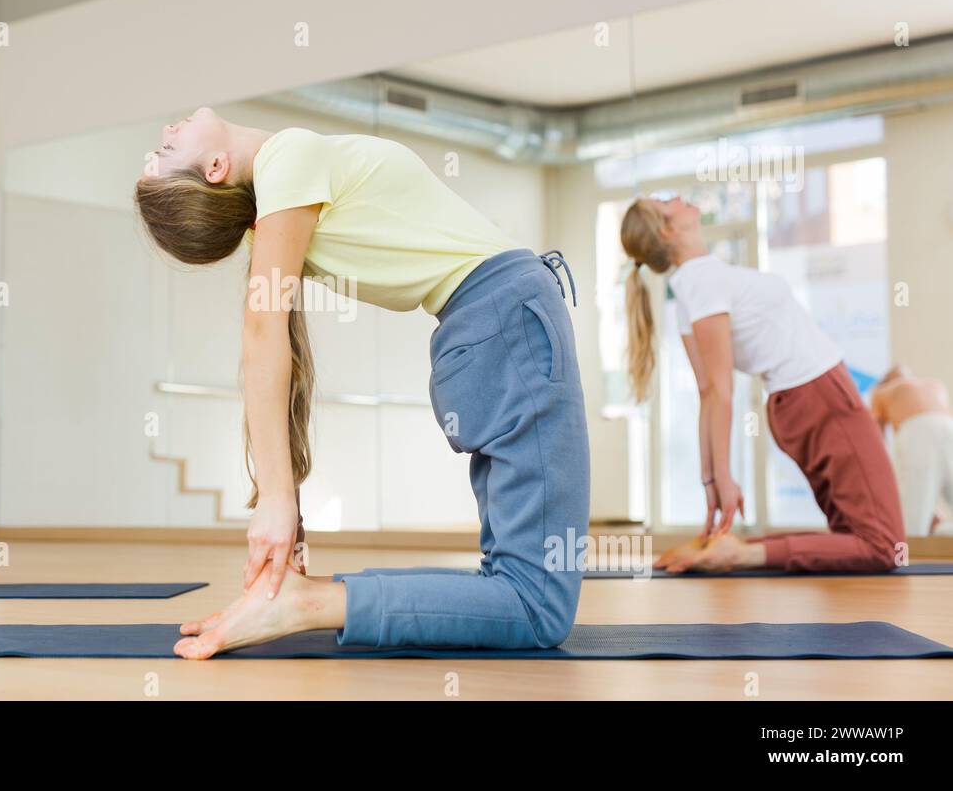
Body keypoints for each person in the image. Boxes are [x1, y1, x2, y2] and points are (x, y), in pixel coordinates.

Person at [135, 107, 589, 658]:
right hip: (504, 321)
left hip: (489, 330)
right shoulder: (288, 157)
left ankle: (306, 601)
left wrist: (287, 505)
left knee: (520, 587)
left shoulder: (283, 199)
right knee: (534, 604)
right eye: (164, 155)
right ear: (214, 167)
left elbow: (282, 353)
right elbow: (264, 336)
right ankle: (308, 604)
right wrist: (279, 501)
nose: (165, 134)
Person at [620, 195, 904, 573]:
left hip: (800, 402)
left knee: (853, 533)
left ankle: (731, 549)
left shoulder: (691, 284)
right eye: (665, 203)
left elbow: (708, 392)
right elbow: (719, 391)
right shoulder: (702, 279)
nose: (678, 198)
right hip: (819, 394)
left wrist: (711, 481)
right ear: (666, 230)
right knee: (885, 545)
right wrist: (722, 477)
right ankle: (743, 553)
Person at [872, 364, 953, 536]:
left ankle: (922, 542)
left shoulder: (881, 391)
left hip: (917, 432)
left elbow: (878, 440)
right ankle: (938, 529)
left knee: (912, 525)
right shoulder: (934, 384)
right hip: (949, 427)